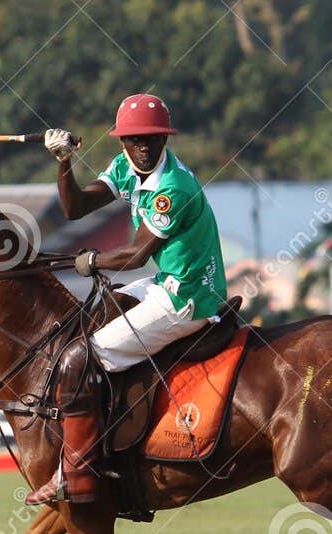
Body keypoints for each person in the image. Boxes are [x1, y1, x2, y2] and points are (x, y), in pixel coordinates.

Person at [26, 93, 228, 505]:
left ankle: (74, 472)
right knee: (95, 315)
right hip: (165, 281)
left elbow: (136, 255)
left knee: (80, 359)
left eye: (152, 138)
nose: (143, 146)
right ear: (122, 141)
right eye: (135, 139)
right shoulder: (125, 167)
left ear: (164, 139)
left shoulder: (171, 187)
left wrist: (91, 260)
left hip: (187, 297)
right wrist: (64, 163)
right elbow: (75, 208)